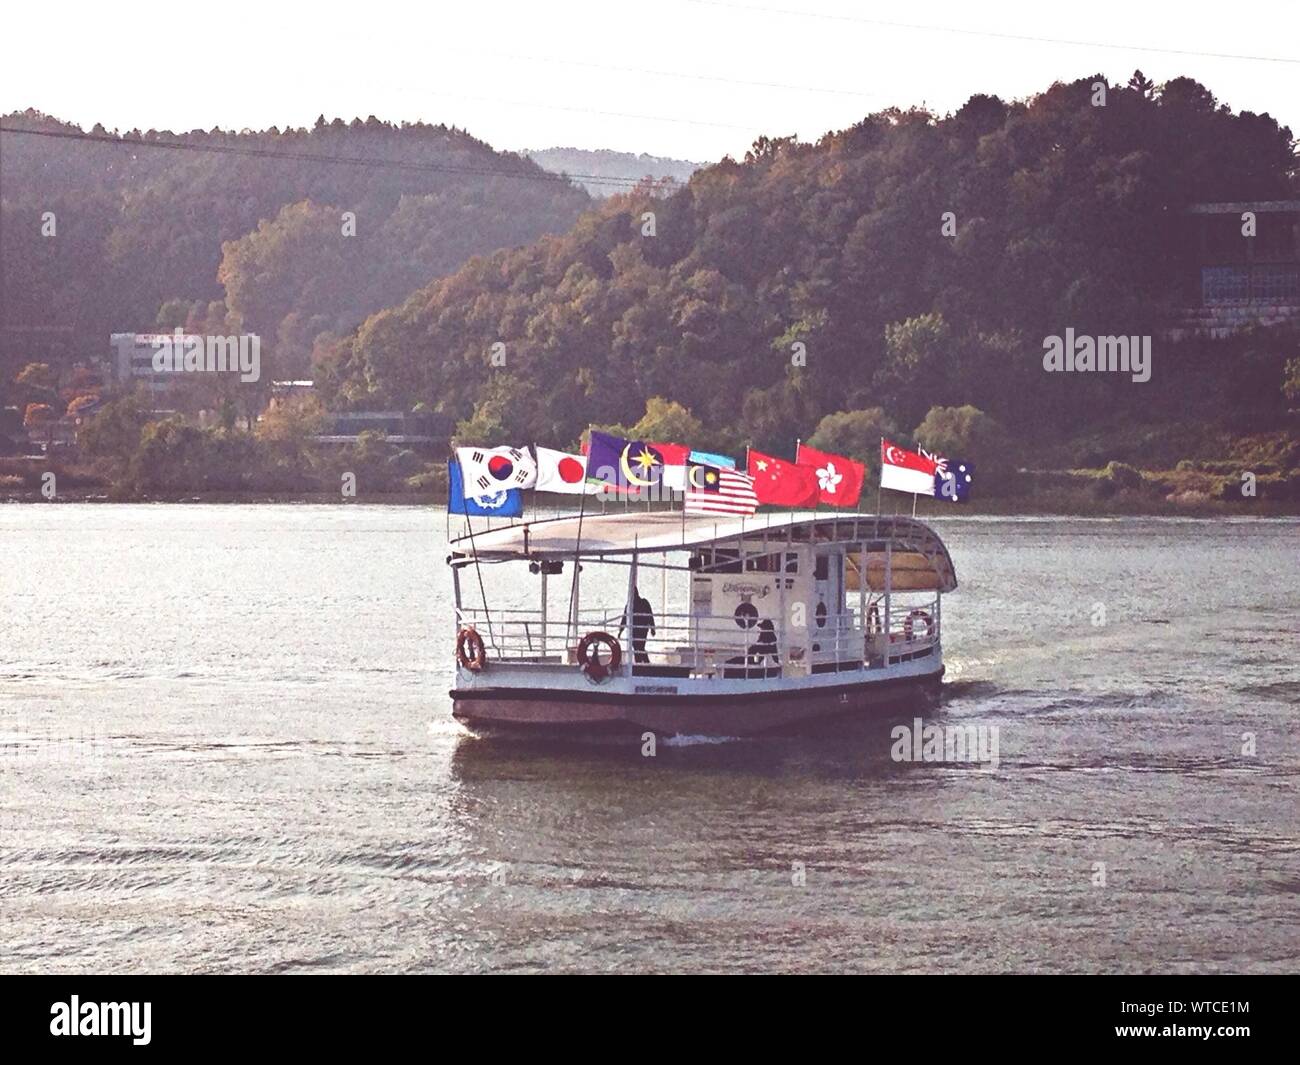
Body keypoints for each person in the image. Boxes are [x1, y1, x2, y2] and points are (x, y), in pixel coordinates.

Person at [618, 586, 656, 665]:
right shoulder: (640, 603)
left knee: (639, 648)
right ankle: (645, 664)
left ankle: (643, 664)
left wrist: (652, 628)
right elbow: (625, 618)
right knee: (638, 648)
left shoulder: (633, 604)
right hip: (638, 629)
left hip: (638, 629)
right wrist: (652, 628)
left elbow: (649, 615)